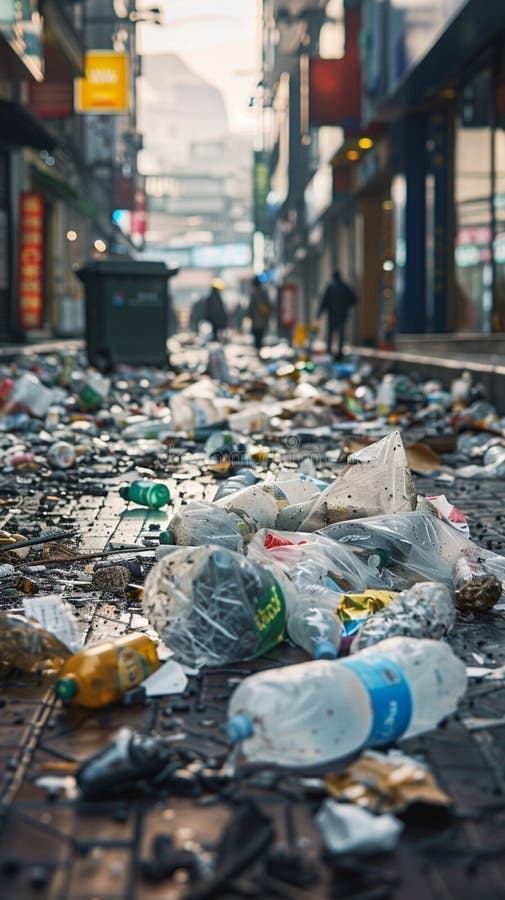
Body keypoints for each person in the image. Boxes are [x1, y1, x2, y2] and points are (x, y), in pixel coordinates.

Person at [318, 269, 357, 359]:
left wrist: (319, 314)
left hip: (332, 314)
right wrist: (346, 305)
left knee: (330, 333)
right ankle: (339, 352)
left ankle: (329, 351)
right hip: (342, 314)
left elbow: (324, 301)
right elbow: (354, 299)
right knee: (341, 333)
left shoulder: (330, 287)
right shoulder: (345, 287)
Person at [248, 276, 272, 352]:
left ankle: (258, 352)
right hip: (263, 321)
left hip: (256, 322)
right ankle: (260, 352)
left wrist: (249, 316)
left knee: (257, 340)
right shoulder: (264, 293)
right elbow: (270, 306)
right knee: (260, 339)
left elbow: (250, 308)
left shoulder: (254, 294)